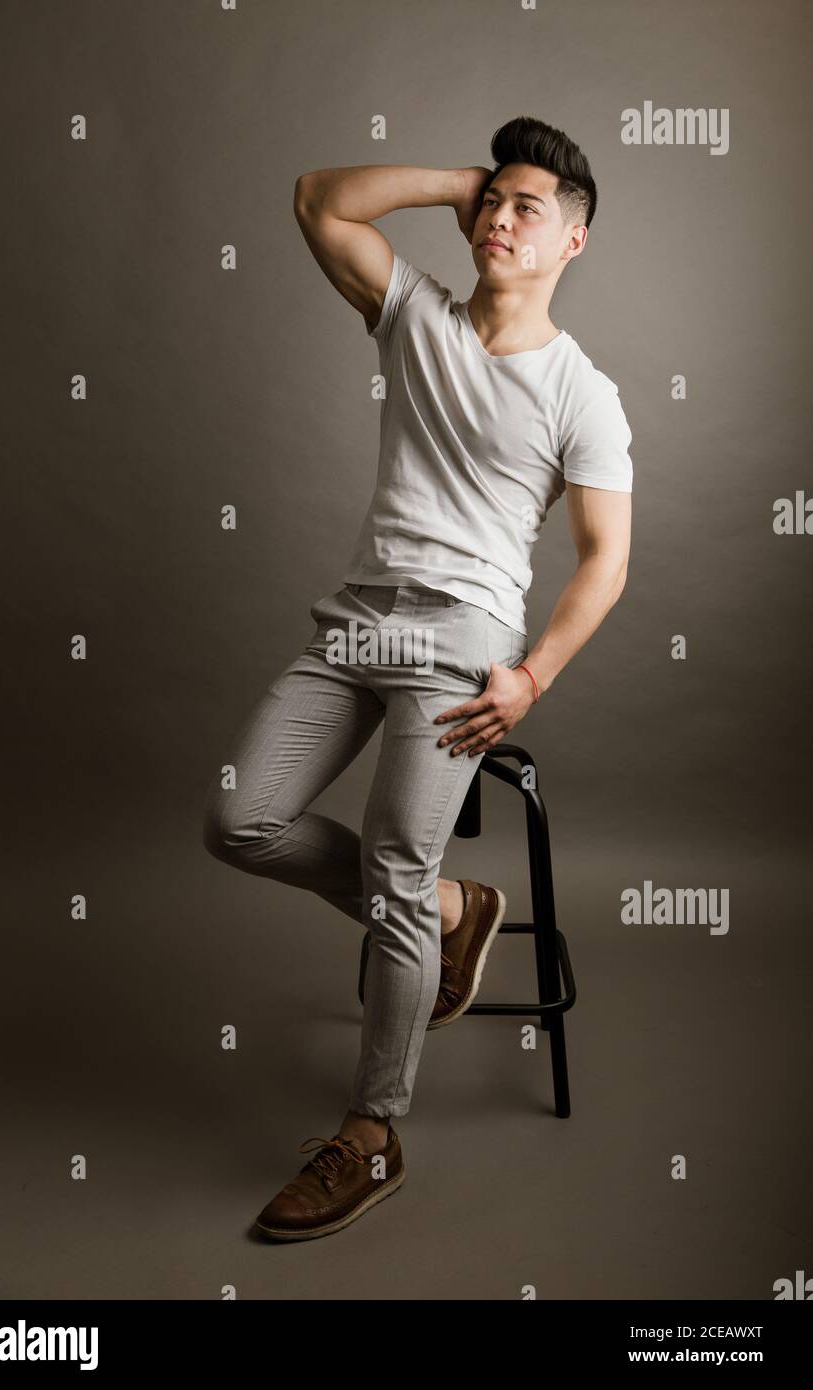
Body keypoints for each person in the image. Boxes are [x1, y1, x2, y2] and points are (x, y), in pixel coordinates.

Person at [202, 115, 633, 1241]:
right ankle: (454, 909)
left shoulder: (582, 393)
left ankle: (373, 1131)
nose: (498, 217)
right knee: (237, 815)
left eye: (525, 206)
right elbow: (315, 197)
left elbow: (605, 562)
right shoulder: (415, 314)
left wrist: (532, 673)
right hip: (353, 626)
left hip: (460, 639)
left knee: (392, 860)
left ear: (571, 244)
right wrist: (457, 179)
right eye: (491, 201)